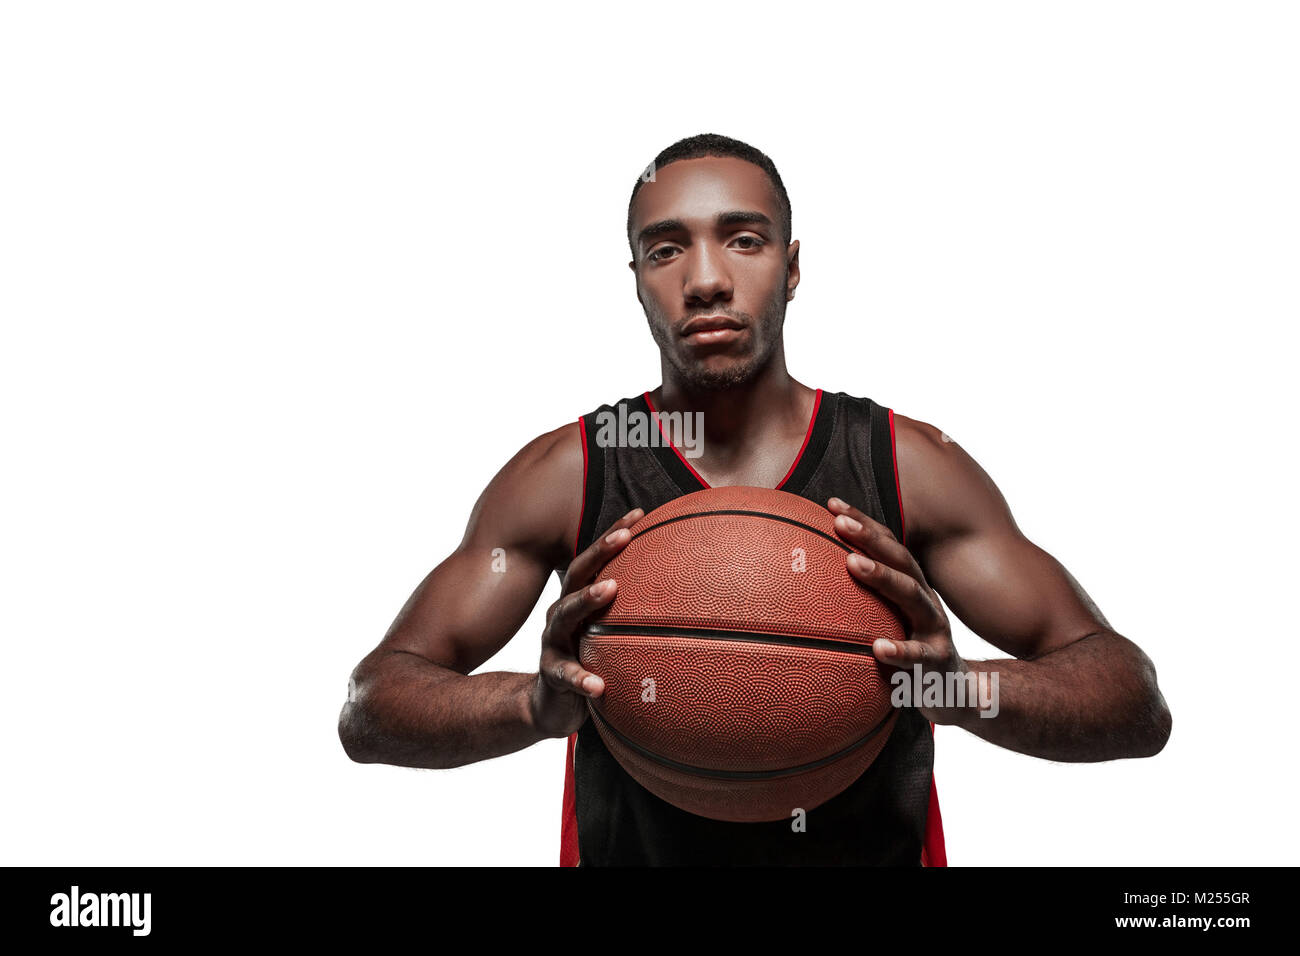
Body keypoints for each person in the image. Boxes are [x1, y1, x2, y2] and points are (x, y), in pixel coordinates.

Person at [337, 133, 1172, 866]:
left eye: (743, 240)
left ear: (794, 266)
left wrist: (957, 685)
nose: (706, 280)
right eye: (666, 250)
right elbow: (372, 708)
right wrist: (530, 703)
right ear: (635, 279)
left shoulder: (905, 464)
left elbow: (1133, 701)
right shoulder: (569, 473)